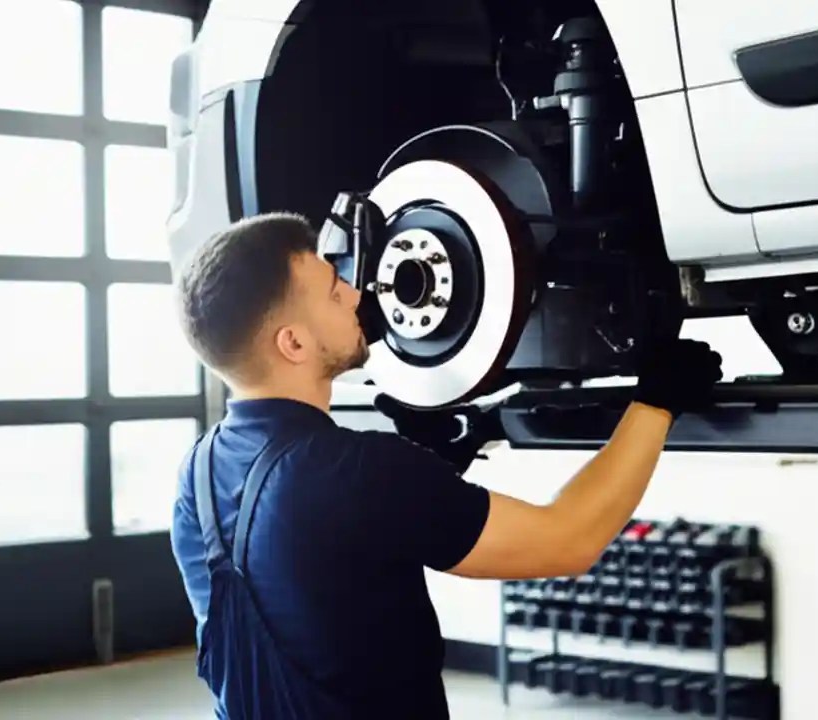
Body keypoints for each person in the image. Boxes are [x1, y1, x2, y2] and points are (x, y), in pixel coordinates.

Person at [169, 211, 722, 719]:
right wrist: (657, 402)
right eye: (335, 294)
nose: (357, 293)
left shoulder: (195, 477)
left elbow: (311, 572)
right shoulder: (357, 472)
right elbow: (569, 539)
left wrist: (432, 467)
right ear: (292, 343)